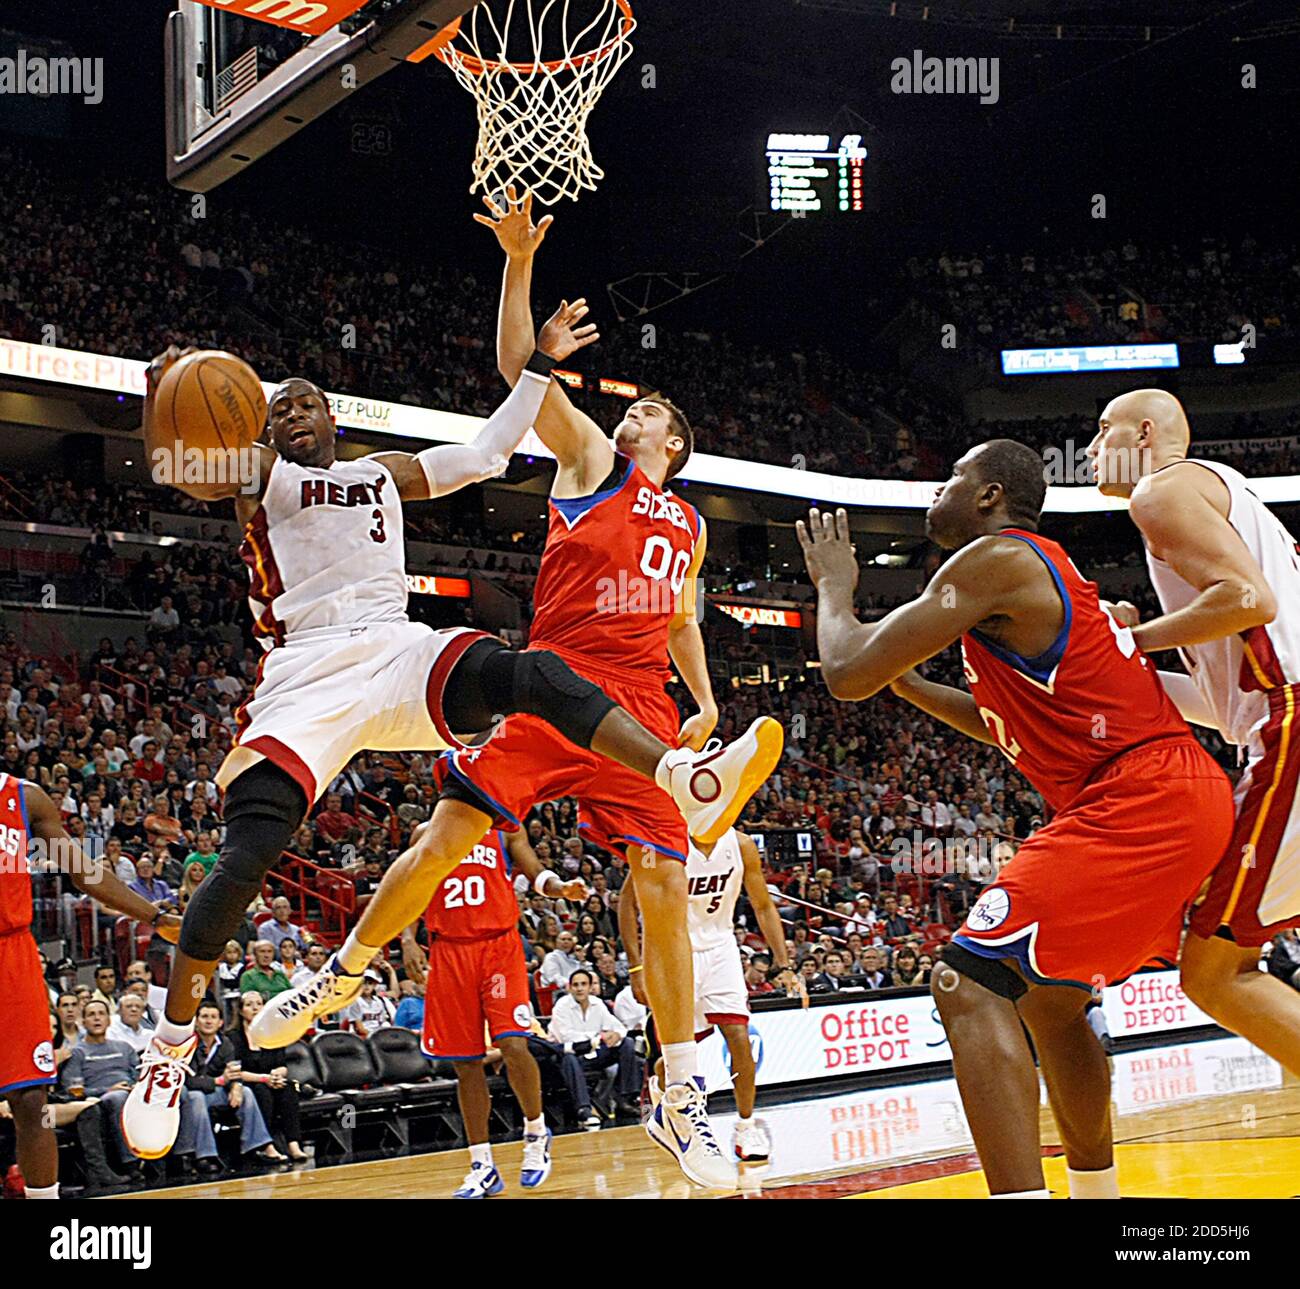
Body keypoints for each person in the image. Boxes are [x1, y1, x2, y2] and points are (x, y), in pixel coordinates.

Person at [134, 337, 778, 1171]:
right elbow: (182, 464)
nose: (291, 413)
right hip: (304, 675)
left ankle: (675, 774)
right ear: (260, 422)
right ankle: (172, 1040)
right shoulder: (258, 472)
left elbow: (486, 452)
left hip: (398, 653)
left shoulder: (381, 475)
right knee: (250, 853)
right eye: (276, 406)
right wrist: (164, 396)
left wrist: (542, 363)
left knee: (527, 671)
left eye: (305, 402)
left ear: (332, 417)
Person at [798, 440, 1234, 1200]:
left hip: (1140, 795)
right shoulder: (1036, 573)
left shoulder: (995, 558)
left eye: (949, 481)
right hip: (1167, 789)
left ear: (992, 495)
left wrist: (836, 591)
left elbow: (843, 673)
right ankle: (1099, 1195)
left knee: (965, 984)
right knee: (1052, 1003)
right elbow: (1005, 722)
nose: (935, 495)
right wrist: (911, 689)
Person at [1088, 388, 1300, 1077]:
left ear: (1144, 432)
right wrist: (1127, 658)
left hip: (1292, 719)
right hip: (1272, 715)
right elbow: (1221, 705)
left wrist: (1131, 638)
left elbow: (1248, 599)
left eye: (1102, 429)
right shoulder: (1222, 493)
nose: (1089, 448)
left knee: (1215, 970)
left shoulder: (1162, 490)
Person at [0, 774, 181, 1199]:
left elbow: (83, 872)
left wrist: (153, 917)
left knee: (31, 1099)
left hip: (11, 953)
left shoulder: (24, 797)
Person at [400, 823, 584, 1197]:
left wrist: (560, 888)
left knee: (514, 1043)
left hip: (498, 947)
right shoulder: (426, 833)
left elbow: (536, 873)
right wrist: (407, 938)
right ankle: (482, 1165)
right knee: (466, 1063)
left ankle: (535, 1132)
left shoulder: (504, 827)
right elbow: (410, 886)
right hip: (449, 949)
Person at [621, 826, 795, 1163]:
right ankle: (663, 1093)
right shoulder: (662, 840)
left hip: (721, 949)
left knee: (740, 1038)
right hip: (673, 951)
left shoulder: (741, 844)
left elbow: (762, 905)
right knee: (679, 1056)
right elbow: (627, 905)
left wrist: (783, 962)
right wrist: (636, 966)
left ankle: (746, 1127)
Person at [188, 1000, 285, 1167]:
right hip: (197, 1093)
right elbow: (188, 1080)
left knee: (246, 1093)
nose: (208, 1021)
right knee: (195, 1097)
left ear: (220, 1023)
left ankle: (257, 1147)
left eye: (213, 1017)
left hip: (218, 1092)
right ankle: (206, 1155)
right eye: (204, 1017)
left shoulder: (225, 1044)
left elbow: (234, 1069)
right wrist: (220, 1081)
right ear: (196, 1021)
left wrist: (236, 1086)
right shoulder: (188, 1045)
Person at [547, 969, 641, 1131]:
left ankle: (625, 1099)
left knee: (626, 1043)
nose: (579, 988)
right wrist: (599, 1036)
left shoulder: (598, 1004)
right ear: (569, 987)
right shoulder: (561, 1006)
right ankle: (584, 1109)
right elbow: (567, 1038)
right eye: (575, 985)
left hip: (593, 1053)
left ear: (591, 987)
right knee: (569, 1057)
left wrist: (616, 1034)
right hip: (566, 1056)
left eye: (583, 984)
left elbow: (619, 1027)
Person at [227, 991, 310, 1162]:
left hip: (270, 1081)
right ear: (241, 1011)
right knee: (261, 1092)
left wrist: (277, 1075)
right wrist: (265, 1078)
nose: (255, 1008)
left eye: (259, 1004)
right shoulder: (233, 1037)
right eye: (249, 1005)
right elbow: (235, 1071)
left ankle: (293, 1144)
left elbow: (282, 1066)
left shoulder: (273, 1034)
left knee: (288, 1089)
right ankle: (265, 1146)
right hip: (248, 1083)